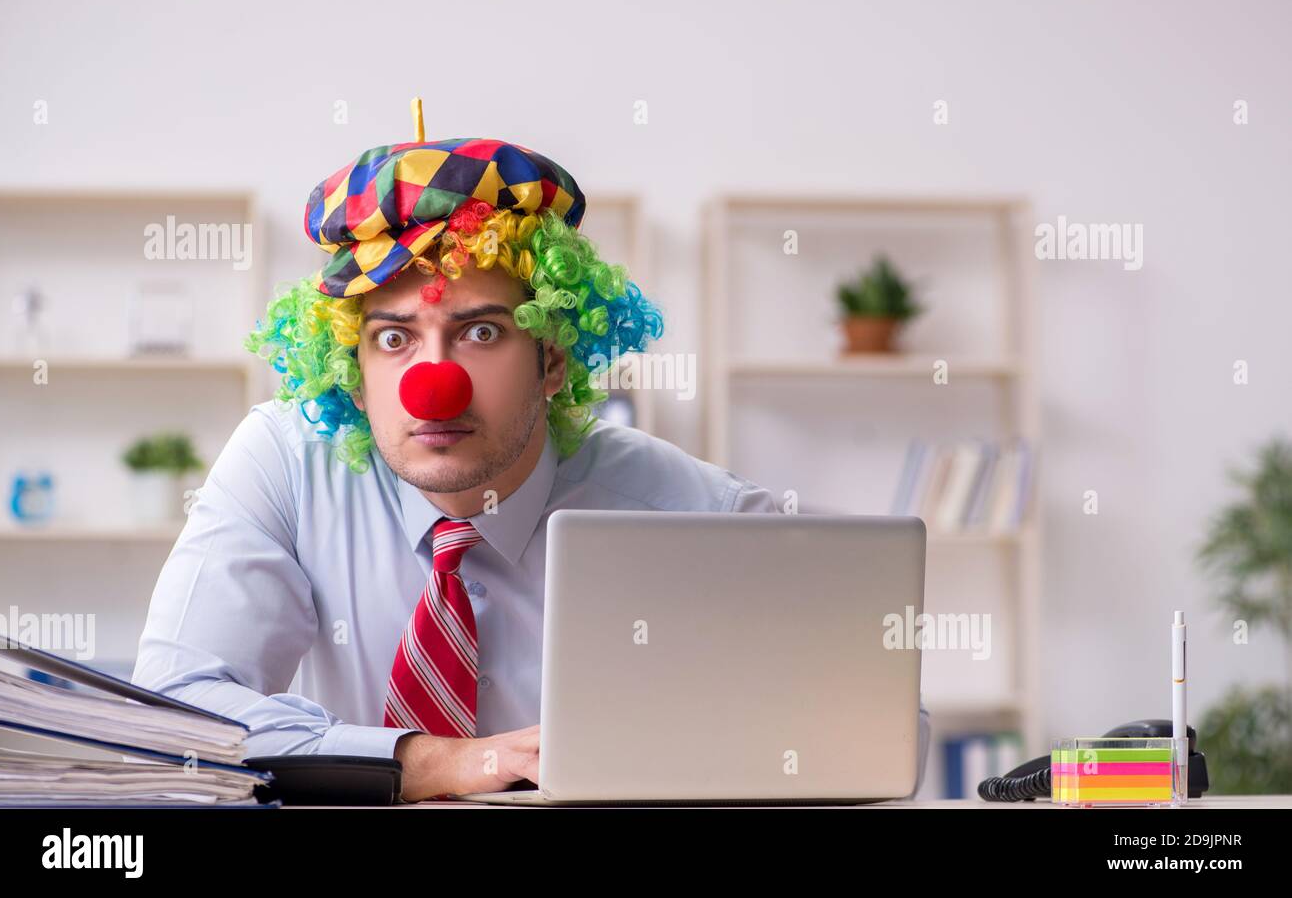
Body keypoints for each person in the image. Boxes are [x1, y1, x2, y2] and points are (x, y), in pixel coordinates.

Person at [132, 101, 930, 802]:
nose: (431, 385)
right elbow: (170, 710)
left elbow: (882, 721)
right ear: (350, 363)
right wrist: (430, 762)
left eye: (480, 332)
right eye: (393, 338)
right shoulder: (283, 462)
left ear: (552, 358)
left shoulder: (676, 503)